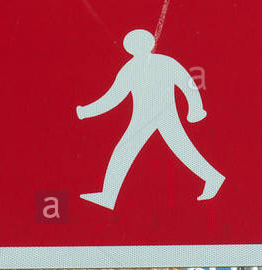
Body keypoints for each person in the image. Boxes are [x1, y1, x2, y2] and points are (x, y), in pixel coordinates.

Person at [77, 29, 223, 210]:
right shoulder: (130, 69)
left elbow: (187, 83)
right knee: (127, 152)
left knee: (132, 152)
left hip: (163, 115)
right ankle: (108, 196)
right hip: (144, 118)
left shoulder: (163, 63)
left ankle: (108, 196)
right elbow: (113, 97)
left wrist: (195, 108)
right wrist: (86, 111)